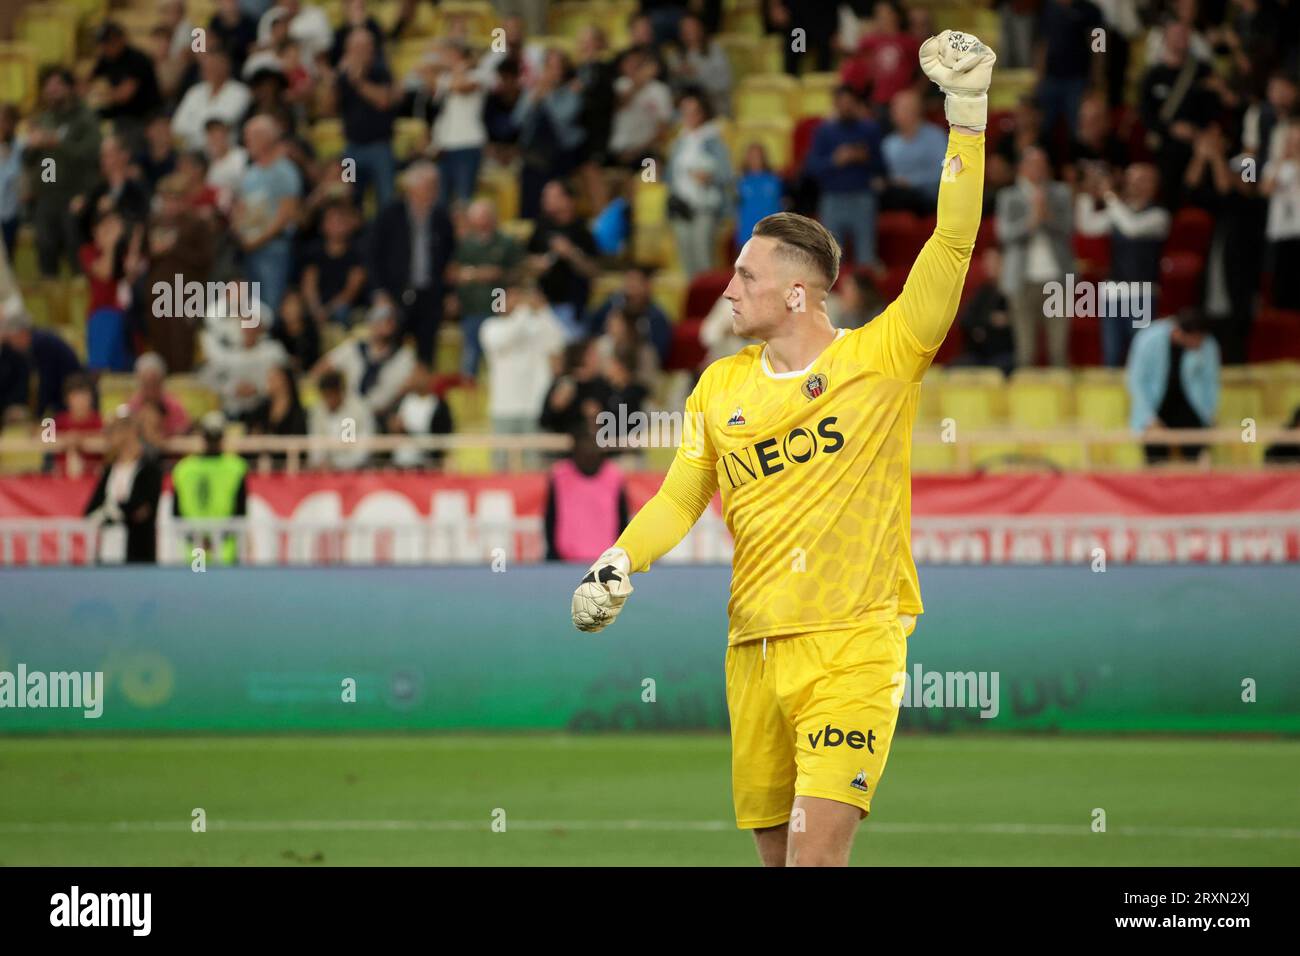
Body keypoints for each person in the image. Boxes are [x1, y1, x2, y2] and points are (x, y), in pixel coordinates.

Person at [570, 30, 994, 867]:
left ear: (797, 291)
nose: (727, 289)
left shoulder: (881, 357)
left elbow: (949, 249)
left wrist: (967, 116)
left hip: (854, 645)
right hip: (752, 649)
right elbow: (681, 497)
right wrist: (619, 561)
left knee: (813, 864)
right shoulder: (717, 388)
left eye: (746, 278)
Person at [1075, 162, 1170, 366]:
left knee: (1143, 357)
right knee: (1111, 356)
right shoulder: (1119, 210)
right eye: (1131, 179)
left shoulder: (1159, 215)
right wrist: (1087, 192)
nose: (1134, 185)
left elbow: (1131, 228)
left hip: (1142, 294)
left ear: (1154, 184)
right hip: (1113, 292)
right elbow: (1088, 226)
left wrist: (1109, 195)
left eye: (1141, 180)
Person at [368, 161, 456, 365]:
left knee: (426, 357)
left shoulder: (442, 218)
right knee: (390, 356)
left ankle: (422, 396)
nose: (434, 191)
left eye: (435, 186)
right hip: (395, 295)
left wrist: (450, 293)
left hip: (430, 297)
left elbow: (450, 260)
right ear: (411, 189)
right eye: (429, 186)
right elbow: (373, 256)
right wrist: (379, 291)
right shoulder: (389, 215)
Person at [995, 146, 1074, 367]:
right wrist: (1031, 221)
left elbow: (1068, 228)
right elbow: (1005, 234)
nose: (1039, 169)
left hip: (1057, 279)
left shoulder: (1061, 193)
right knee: (1025, 352)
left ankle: (1060, 398)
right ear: (1022, 168)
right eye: (1033, 164)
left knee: (1059, 351)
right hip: (1021, 280)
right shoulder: (1008, 196)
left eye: (1042, 164)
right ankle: (1027, 400)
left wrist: (1045, 216)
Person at [21, 68, 102, 277]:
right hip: (46, 197)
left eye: (57, 85)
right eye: (48, 86)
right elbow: (28, 160)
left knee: (76, 251)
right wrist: (32, 146)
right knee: (45, 253)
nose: (52, 90)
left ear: (70, 88)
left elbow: (91, 153)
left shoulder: (85, 118)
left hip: (74, 195)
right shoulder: (43, 119)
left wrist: (57, 143)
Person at [479, 282, 566, 470]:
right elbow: (507, 338)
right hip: (503, 408)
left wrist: (543, 311)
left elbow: (557, 341)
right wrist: (525, 311)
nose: (516, 301)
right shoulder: (491, 327)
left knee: (533, 466)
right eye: (511, 297)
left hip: (532, 407)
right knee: (500, 466)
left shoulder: (535, 325)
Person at [1126, 307, 1220, 464]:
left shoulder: (1208, 345)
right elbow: (1136, 381)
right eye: (1196, 339)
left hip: (1191, 407)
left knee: (1198, 451)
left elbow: (1210, 383)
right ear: (1179, 333)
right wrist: (1149, 419)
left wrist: (1209, 413)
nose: (1200, 343)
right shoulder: (1148, 340)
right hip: (1155, 406)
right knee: (1155, 452)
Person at [804, 86, 884, 268]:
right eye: (842, 104)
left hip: (862, 198)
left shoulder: (870, 130)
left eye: (850, 103)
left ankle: (865, 296)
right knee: (833, 261)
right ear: (835, 105)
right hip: (832, 199)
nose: (846, 108)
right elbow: (811, 168)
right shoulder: (823, 132)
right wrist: (835, 160)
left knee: (866, 257)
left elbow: (882, 167)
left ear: (856, 104)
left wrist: (864, 158)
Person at [231, 115, 302, 312]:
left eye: (251, 136)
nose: (246, 141)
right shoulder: (251, 173)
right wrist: (239, 227)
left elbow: (287, 214)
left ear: (266, 138)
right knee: (253, 308)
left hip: (273, 248)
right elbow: (242, 209)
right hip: (251, 247)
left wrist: (258, 239)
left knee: (270, 307)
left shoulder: (284, 171)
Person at [451, 199, 523, 378]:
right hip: (472, 306)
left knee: (498, 353)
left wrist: (500, 274)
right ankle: (468, 388)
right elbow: (453, 272)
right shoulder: (465, 244)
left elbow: (519, 273)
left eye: (484, 217)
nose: (481, 223)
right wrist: (477, 274)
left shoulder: (507, 243)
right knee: (471, 353)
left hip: (499, 305)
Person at [84, 405, 164, 564]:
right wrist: (114, 512)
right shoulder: (110, 470)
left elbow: (143, 511)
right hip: (109, 552)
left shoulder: (149, 469)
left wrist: (113, 511)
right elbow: (90, 511)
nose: (110, 434)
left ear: (131, 431)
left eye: (117, 429)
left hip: (138, 555)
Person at [665, 91, 732, 278]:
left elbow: (726, 173)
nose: (688, 116)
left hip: (704, 206)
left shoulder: (713, 139)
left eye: (693, 111)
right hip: (681, 207)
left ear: (703, 114)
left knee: (703, 261)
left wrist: (709, 176)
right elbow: (671, 175)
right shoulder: (679, 141)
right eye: (685, 111)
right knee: (687, 262)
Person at [171, 411, 249, 564]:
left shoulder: (184, 469)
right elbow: (241, 511)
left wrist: (202, 540)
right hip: (213, 546)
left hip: (205, 546)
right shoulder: (235, 467)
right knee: (213, 585)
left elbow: (240, 511)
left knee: (199, 583)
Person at [526, 180, 598, 339]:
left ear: (567, 200)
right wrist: (536, 263)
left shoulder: (582, 230)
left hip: (571, 307)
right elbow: (526, 260)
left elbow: (593, 270)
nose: (544, 200)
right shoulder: (541, 226)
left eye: (550, 196)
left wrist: (571, 253)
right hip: (542, 305)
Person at [545, 426, 630, 562]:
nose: (588, 449)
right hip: (564, 560)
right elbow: (550, 519)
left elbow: (623, 520)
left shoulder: (614, 476)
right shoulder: (560, 475)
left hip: (606, 561)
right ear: (574, 449)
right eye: (584, 444)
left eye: (592, 444)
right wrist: (554, 557)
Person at [0, 307, 82, 420]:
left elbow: (46, 383)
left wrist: (37, 415)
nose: (11, 345)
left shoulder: (43, 344)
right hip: (62, 393)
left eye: (12, 339)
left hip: (73, 393)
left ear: (22, 334)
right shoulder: (35, 343)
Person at [171, 47, 252, 151]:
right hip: (190, 152)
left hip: (223, 152)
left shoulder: (240, 92)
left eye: (214, 65)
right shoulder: (195, 91)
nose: (209, 69)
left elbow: (220, 125)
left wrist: (192, 134)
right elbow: (177, 126)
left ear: (227, 66)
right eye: (206, 65)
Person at [951, 246, 1015, 375]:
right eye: (986, 261)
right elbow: (965, 319)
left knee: (1004, 368)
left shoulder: (1014, 292)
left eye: (992, 261)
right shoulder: (984, 291)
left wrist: (1005, 321)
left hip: (1004, 354)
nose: (988, 265)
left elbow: (1019, 324)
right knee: (954, 369)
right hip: (979, 354)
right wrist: (988, 322)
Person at [1262, 126, 1300, 310]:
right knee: (1280, 285)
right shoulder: (1271, 165)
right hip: (1280, 232)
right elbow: (1264, 190)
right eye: (1293, 140)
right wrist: (1280, 162)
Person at [388, 364, 454, 469]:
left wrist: (407, 430)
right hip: (399, 463)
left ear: (429, 377)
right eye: (413, 374)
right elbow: (390, 427)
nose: (415, 378)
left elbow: (441, 442)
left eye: (420, 374)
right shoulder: (402, 401)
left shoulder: (439, 406)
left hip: (426, 465)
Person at [307, 368, 374, 470]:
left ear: (341, 392)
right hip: (324, 471)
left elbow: (363, 449)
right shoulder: (318, 411)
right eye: (325, 396)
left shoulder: (359, 410)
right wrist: (319, 462)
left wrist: (338, 465)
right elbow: (315, 443)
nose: (329, 400)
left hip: (355, 471)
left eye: (331, 395)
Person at [127, 352, 191, 437]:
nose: (150, 391)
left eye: (155, 384)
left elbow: (185, 434)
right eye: (146, 385)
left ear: (162, 382)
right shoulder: (133, 405)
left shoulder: (173, 406)